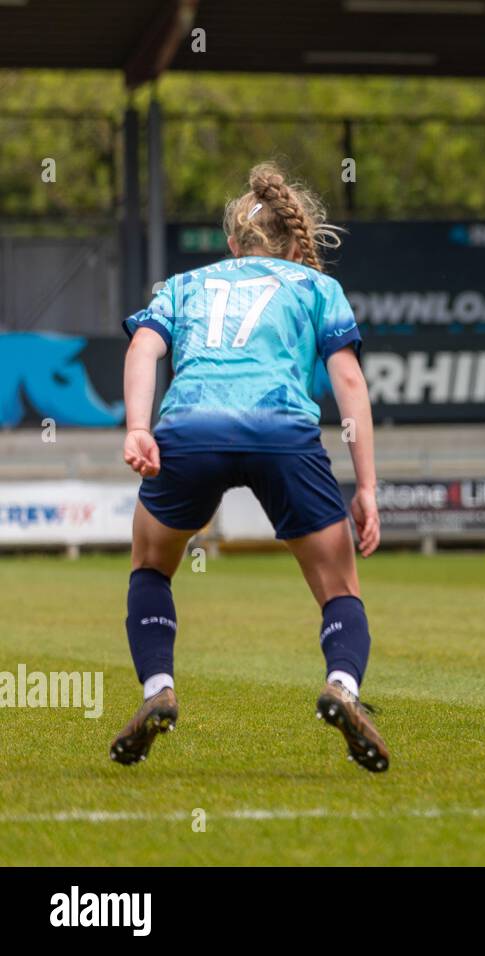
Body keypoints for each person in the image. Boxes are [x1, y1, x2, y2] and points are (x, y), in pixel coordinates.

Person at [113, 162, 391, 771]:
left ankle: (158, 687)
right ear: (297, 243)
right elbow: (349, 384)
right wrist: (366, 486)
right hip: (281, 432)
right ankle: (342, 686)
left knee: (150, 566)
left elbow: (143, 347)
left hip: (190, 429)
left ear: (233, 244)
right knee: (339, 589)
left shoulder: (186, 284)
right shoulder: (317, 288)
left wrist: (139, 427)